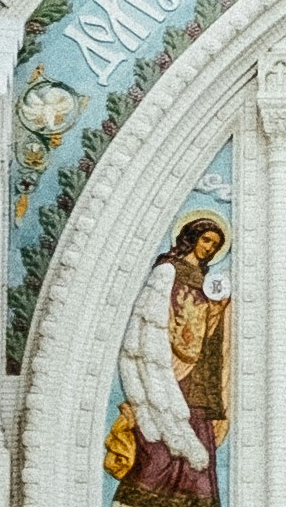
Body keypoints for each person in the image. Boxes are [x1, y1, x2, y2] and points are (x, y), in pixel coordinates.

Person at [108, 215, 232, 506]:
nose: (210, 249)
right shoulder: (167, 272)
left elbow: (207, 332)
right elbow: (156, 323)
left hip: (198, 378)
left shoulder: (208, 283)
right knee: (159, 448)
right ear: (191, 238)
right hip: (169, 373)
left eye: (215, 245)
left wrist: (218, 311)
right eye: (206, 240)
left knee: (198, 449)